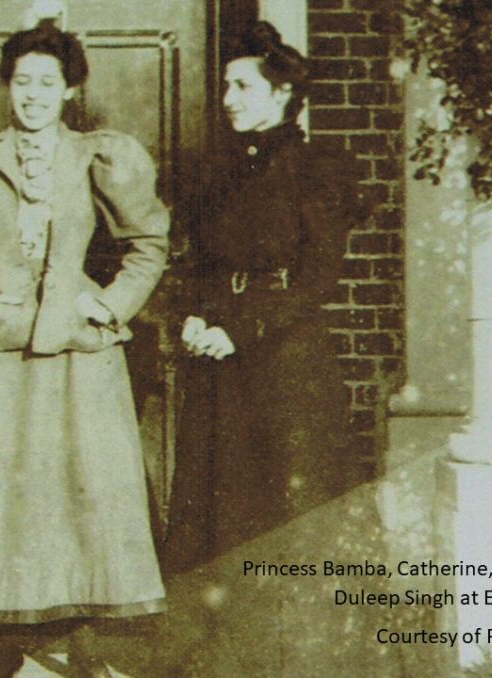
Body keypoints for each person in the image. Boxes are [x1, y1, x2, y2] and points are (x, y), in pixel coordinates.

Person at [0, 18, 170, 678]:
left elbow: (148, 245)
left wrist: (107, 304)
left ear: (69, 89)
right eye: (21, 81)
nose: (31, 94)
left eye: (46, 82)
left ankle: (78, 638)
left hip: (78, 352)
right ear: (8, 86)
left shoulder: (98, 154)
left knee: (80, 494)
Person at [161, 21, 363, 573]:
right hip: (218, 361)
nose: (228, 100)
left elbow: (318, 281)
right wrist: (193, 317)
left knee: (286, 508)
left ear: (283, 94)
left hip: (285, 359)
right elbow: (199, 262)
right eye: (226, 87)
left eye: (243, 87)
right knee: (216, 509)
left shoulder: (319, 171)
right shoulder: (218, 173)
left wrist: (240, 331)